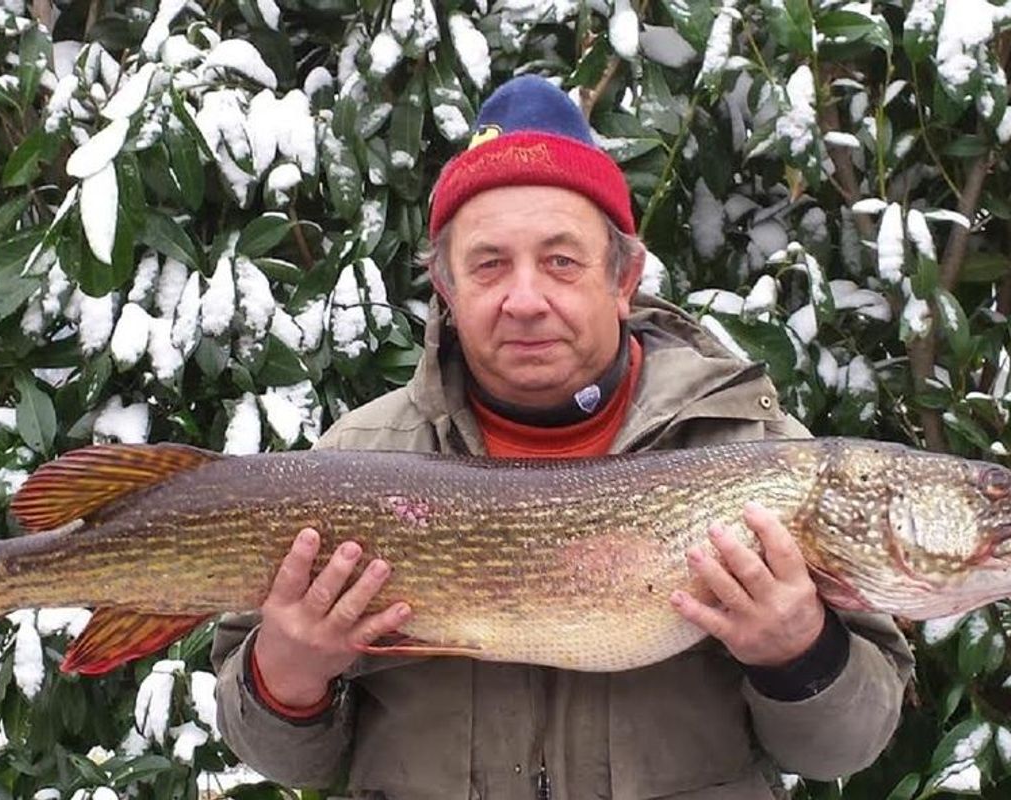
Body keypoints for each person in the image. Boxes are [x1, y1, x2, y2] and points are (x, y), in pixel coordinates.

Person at [210, 75, 913, 800]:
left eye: (561, 262)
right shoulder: (355, 460)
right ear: (447, 288)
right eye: (489, 265)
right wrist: (287, 675)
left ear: (623, 278)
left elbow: (846, 748)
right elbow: (286, 760)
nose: (525, 300)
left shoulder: (758, 451)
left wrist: (801, 654)